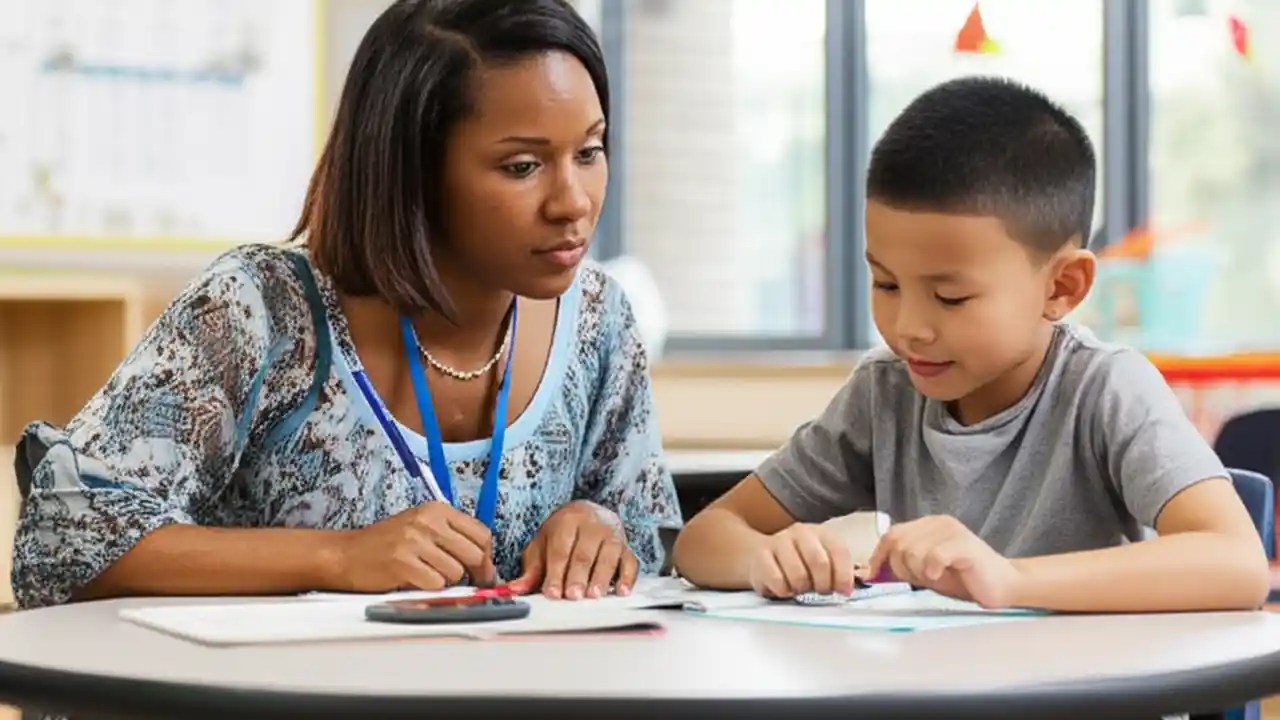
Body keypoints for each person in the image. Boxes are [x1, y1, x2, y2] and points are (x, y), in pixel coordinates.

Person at [10, 0, 681, 610]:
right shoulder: (259, 309)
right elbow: (66, 538)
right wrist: (339, 556)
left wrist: (601, 528)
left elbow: (652, 549)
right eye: (522, 167)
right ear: (412, 171)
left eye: (589, 151)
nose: (574, 202)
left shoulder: (598, 319)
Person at [672, 77, 1270, 612]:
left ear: (1061, 287)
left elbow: (1235, 563)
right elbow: (705, 537)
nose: (908, 326)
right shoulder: (885, 393)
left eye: (951, 298)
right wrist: (764, 558)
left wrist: (1010, 580)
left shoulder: (1105, 389)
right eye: (885, 283)